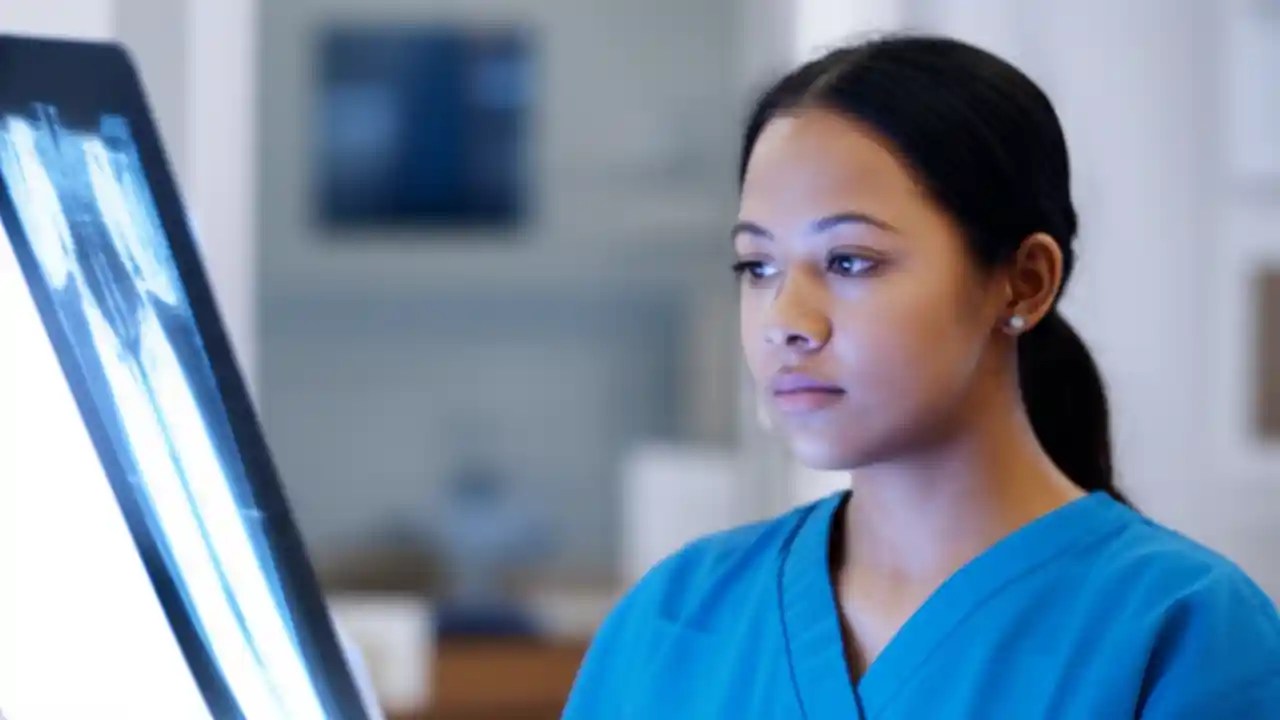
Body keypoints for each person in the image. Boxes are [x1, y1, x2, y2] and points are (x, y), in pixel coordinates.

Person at [563, 35, 1280, 718]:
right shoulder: (675, 619)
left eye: (849, 262)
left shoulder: (1185, 635)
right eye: (758, 267)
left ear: (1024, 282)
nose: (786, 319)